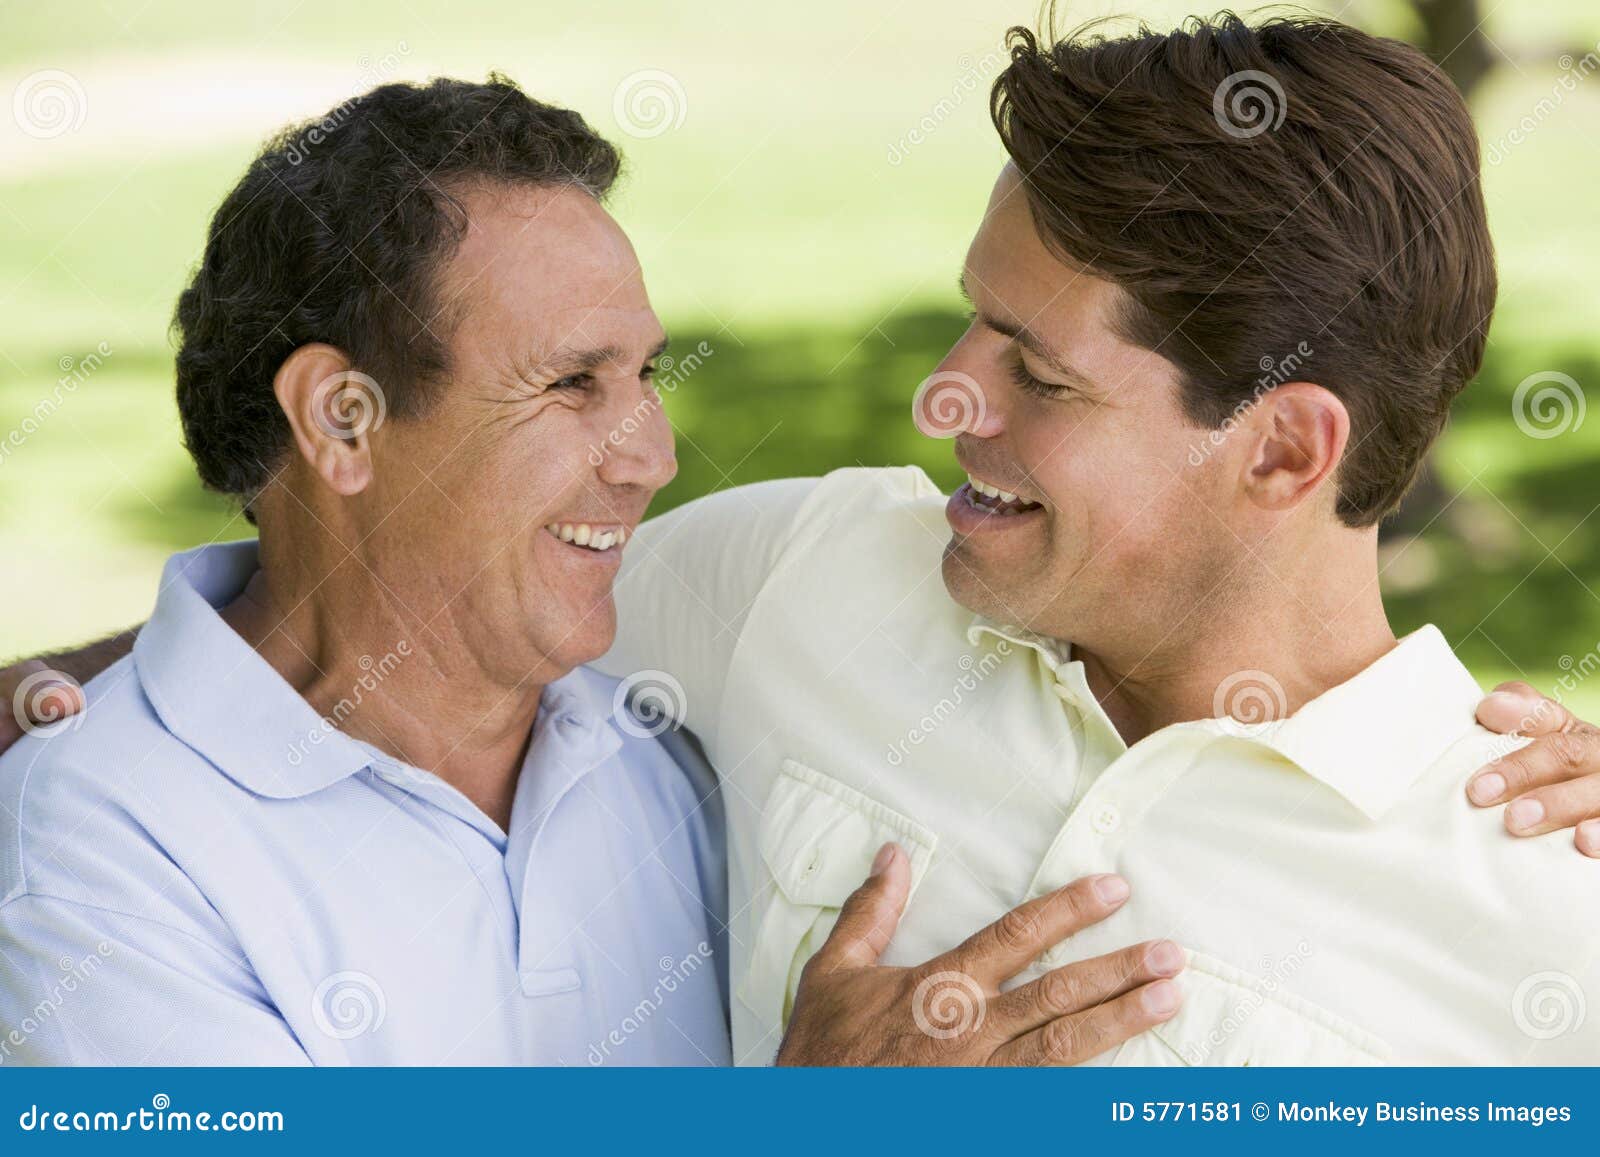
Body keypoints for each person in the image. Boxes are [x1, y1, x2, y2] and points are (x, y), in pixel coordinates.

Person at [6, 17, 1600, 1065]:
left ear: (1285, 447)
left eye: (1035, 374)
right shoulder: (812, 576)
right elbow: (381, 604)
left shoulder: (1552, 918)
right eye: (969, 323)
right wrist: (76, 704)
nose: (943, 401)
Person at [0, 76, 1185, 1067]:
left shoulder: (661, 702)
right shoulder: (97, 851)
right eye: (573, 384)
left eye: (644, 377)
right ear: (343, 417)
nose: (655, 457)